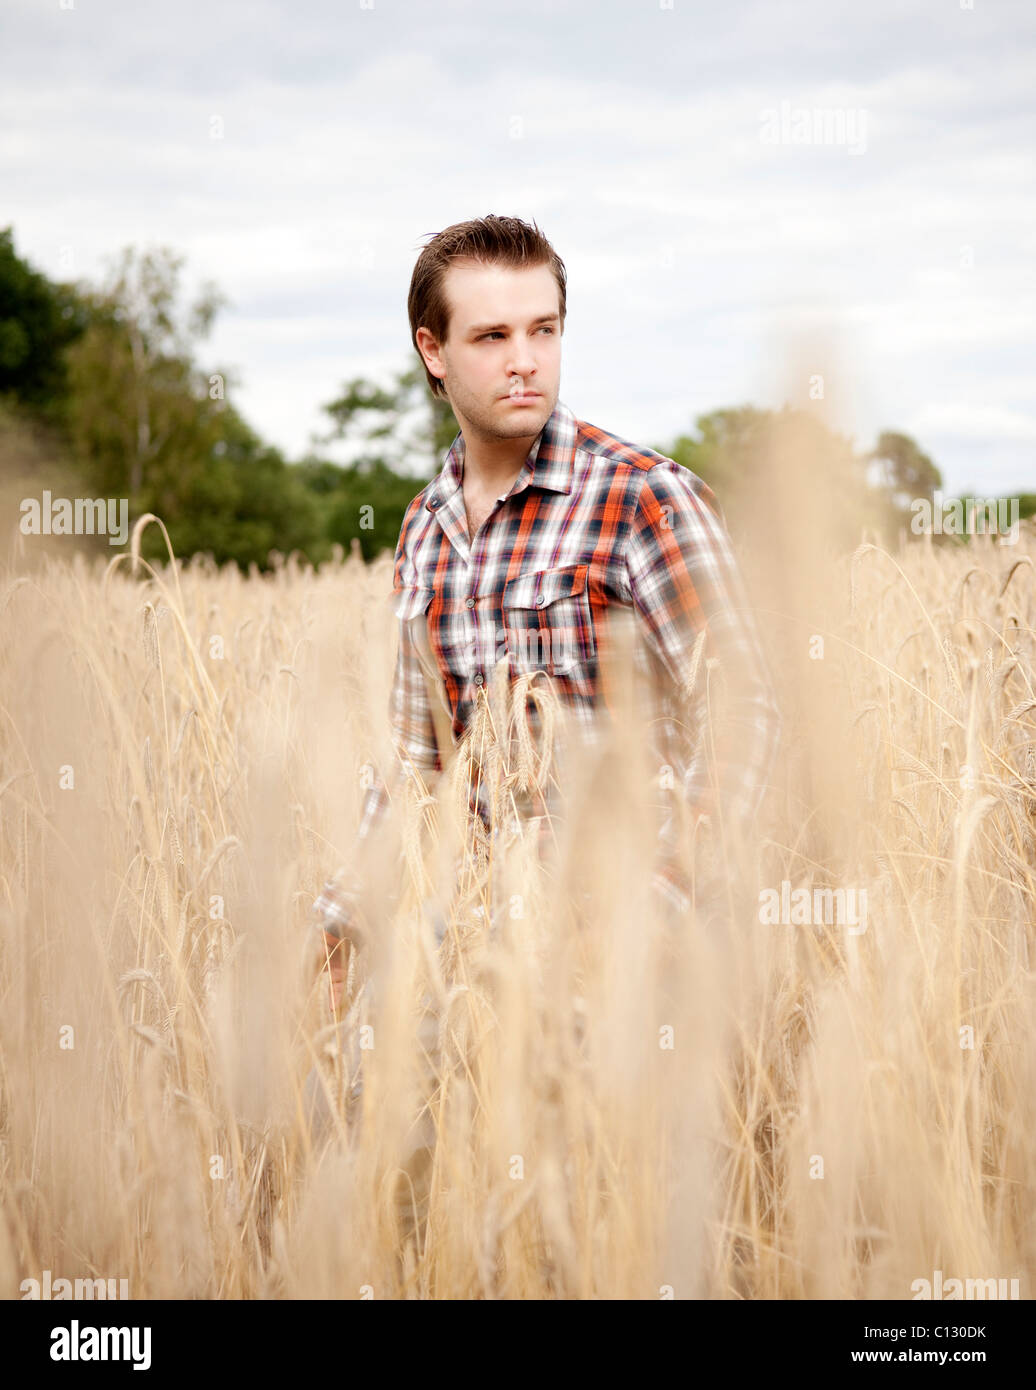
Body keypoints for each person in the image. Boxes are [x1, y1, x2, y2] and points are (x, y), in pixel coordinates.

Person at [304, 213, 782, 1130]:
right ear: (433, 351)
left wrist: (660, 897)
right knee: (411, 1178)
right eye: (492, 336)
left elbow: (746, 713)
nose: (525, 359)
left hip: (635, 955)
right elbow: (416, 767)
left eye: (544, 330)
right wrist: (342, 925)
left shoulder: (643, 498)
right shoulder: (424, 527)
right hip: (474, 950)